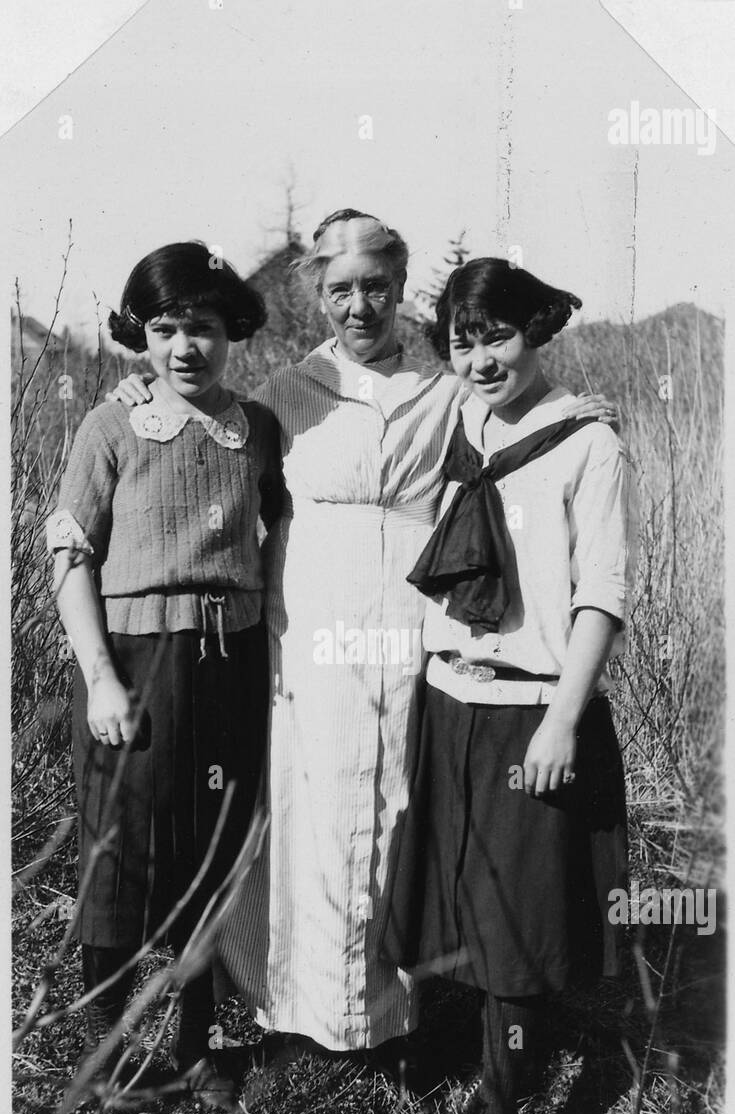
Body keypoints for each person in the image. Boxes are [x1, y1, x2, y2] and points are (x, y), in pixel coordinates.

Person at [110, 212, 619, 1058]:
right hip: (306, 641)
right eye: (340, 288)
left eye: (376, 286)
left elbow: (517, 416)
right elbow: (198, 425)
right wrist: (138, 390)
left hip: (411, 641)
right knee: (308, 818)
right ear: (315, 293)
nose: (360, 305)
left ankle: (395, 1020)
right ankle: (302, 1021)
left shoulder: (444, 391)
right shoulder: (280, 398)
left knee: (399, 815)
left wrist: (580, 414)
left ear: (399, 286)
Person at [382, 258, 638, 1114]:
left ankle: (501, 1109)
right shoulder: (456, 423)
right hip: (449, 692)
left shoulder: (585, 442)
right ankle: (452, 1049)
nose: (481, 358)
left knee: (519, 917)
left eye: (497, 336)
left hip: (531, 707)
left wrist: (562, 722)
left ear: (534, 330)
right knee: (454, 889)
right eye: (462, 341)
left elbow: (600, 596)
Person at [47, 241, 283, 1104]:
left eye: (205, 326)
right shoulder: (112, 424)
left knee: (210, 855)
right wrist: (101, 679)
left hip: (232, 668)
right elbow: (71, 559)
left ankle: (195, 1045)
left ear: (234, 333)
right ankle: (105, 1056)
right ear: (141, 335)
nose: (186, 346)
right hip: (137, 668)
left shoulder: (255, 428)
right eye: (166, 327)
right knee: (123, 855)